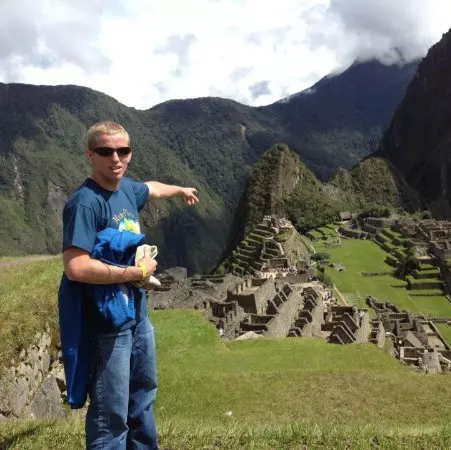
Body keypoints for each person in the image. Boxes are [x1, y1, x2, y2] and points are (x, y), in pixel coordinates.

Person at [60, 121, 199, 449]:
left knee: (143, 395)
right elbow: (75, 267)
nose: (116, 158)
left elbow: (150, 188)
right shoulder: (85, 203)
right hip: (106, 323)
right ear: (90, 155)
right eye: (106, 151)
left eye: (123, 151)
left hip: (137, 315)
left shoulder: (125, 190)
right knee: (111, 413)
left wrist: (179, 190)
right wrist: (135, 273)